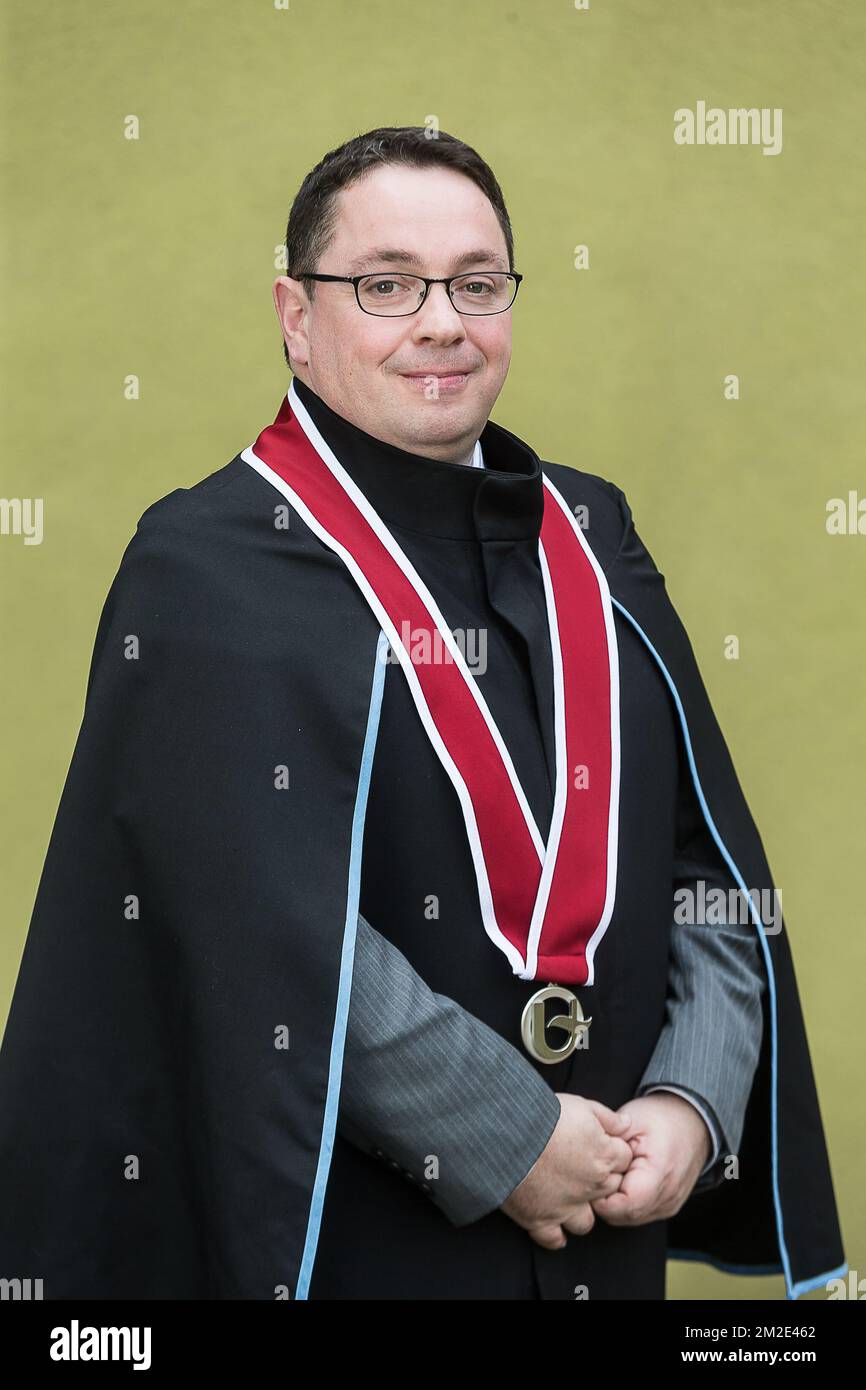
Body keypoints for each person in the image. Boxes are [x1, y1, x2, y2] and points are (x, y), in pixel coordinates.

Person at [0, 126, 845, 1301]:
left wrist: (690, 1101)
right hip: (362, 1241)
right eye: (386, 284)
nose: (441, 320)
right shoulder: (203, 566)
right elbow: (258, 926)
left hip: (611, 1221)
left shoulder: (591, 537)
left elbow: (702, 855)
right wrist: (500, 1135)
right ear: (297, 315)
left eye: (476, 283)